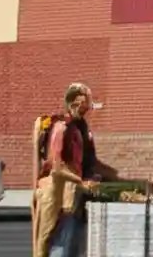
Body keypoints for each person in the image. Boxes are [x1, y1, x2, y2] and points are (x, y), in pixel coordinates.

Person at [31, 83, 100, 257]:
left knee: (67, 240)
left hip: (69, 193)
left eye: (86, 105)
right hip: (52, 192)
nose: (84, 109)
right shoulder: (62, 128)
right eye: (80, 105)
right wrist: (82, 181)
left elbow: (83, 162)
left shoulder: (79, 129)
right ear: (71, 104)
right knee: (45, 242)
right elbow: (57, 168)